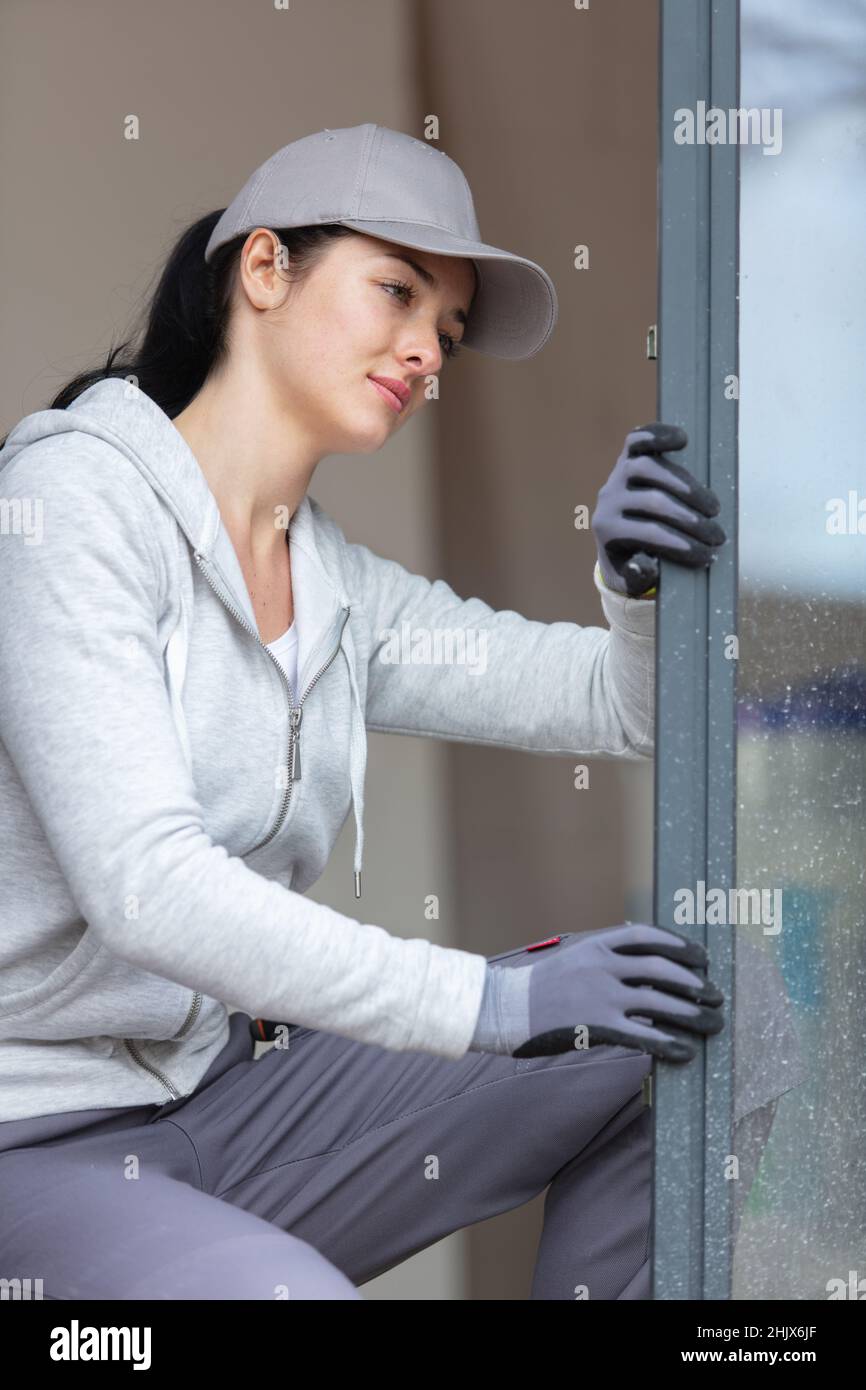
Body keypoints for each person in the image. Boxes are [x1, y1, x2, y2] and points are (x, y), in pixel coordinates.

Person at [0, 122, 753, 1301]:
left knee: (694, 1022)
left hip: (227, 1109)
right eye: (395, 292)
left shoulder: (338, 588)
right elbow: (143, 888)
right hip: (33, 1149)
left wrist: (638, 588)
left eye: (444, 331)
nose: (425, 352)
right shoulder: (69, 506)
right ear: (262, 270)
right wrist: (490, 1002)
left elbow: (622, 709)